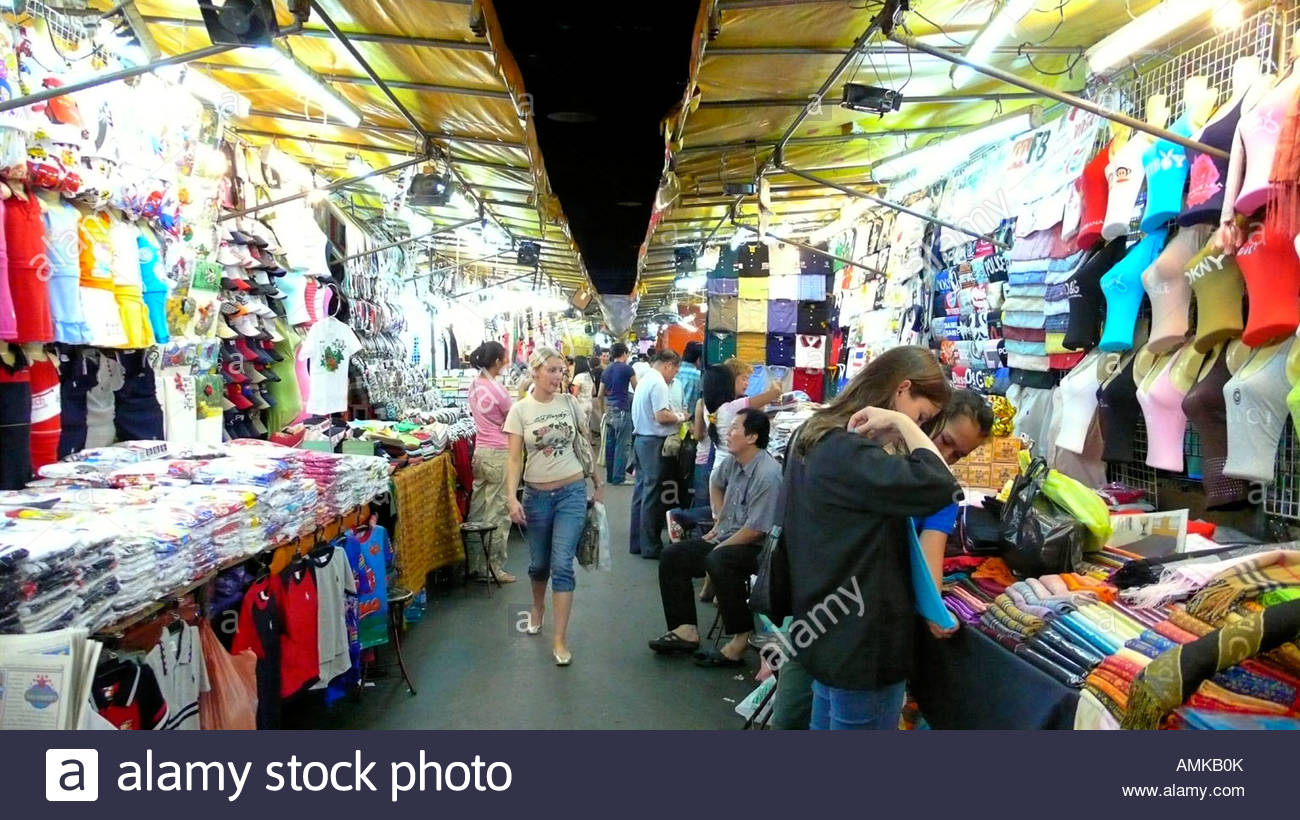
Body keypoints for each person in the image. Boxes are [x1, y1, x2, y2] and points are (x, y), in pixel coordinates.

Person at [770, 386, 992, 730]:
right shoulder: (868, 459)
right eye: (945, 440)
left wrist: (937, 613)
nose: (946, 455)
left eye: (959, 454)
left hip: (838, 622)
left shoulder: (911, 479)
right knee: (797, 714)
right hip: (845, 628)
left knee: (811, 715)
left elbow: (930, 558)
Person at [649, 409, 781, 666]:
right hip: (731, 537)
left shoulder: (768, 474)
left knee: (720, 560)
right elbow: (715, 481)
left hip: (759, 549)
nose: (728, 433)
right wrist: (719, 518)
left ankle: (740, 640)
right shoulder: (734, 461)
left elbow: (756, 530)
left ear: (752, 437)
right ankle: (684, 630)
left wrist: (719, 544)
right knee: (673, 555)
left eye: (734, 428)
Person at [504, 347, 604, 666]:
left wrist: (595, 476)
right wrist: (510, 497)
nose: (558, 376)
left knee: (562, 564)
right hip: (536, 497)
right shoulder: (520, 410)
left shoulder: (569, 402)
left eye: (561, 370)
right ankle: (537, 607)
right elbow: (513, 457)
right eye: (552, 370)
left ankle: (559, 639)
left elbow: (583, 439)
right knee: (539, 564)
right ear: (535, 372)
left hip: (571, 492)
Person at [465, 341, 516, 583]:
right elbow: (513, 422)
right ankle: (493, 567)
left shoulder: (475, 385)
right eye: (504, 359)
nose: (506, 363)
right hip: (499, 452)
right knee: (498, 511)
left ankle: (474, 562)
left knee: (477, 509)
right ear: (497, 361)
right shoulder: (499, 392)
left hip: (481, 452)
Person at [629, 349, 685, 559]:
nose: (674, 376)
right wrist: (680, 416)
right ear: (668, 365)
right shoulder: (659, 383)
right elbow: (662, 416)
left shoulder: (644, 380)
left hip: (642, 440)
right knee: (652, 496)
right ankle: (651, 546)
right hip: (653, 442)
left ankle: (638, 542)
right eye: (675, 371)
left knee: (641, 493)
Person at [598, 343, 635, 484]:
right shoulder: (627, 369)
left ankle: (610, 476)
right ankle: (619, 478)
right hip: (622, 410)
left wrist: (603, 411)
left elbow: (600, 394)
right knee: (622, 445)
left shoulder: (606, 371)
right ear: (624, 353)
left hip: (609, 410)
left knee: (610, 444)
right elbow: (637, 388)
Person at [669, 341, 703, 415]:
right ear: (699, 360)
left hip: (671, 419)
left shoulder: (671, 372)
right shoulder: (699, 376)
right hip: (690, 422)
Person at [570, 355, 595, 445]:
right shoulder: (590, 376)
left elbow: (575, 394)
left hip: (580, 405)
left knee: (581, 429)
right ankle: (588, 444)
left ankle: (584, 447)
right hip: (589, 404)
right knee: (587, 426)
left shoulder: (578, 377)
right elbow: (594, 391)